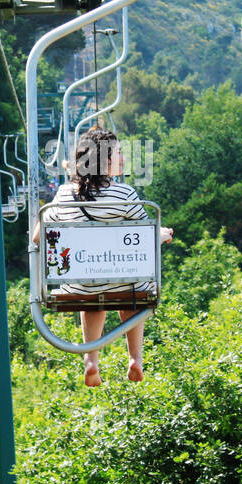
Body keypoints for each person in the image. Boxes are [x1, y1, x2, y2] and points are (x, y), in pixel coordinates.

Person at [32, 127, 172, 387]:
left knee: (91, 292)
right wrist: (161, 235)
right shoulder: (124, 194)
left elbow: (38, 237)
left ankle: (91, 362)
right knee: (132, 286)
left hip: (80, 285)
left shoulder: (64, 195)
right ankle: (135, 359)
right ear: (103, 160)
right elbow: (143, 236)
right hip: (127, 285)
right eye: (118, 153)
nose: (123, 159)